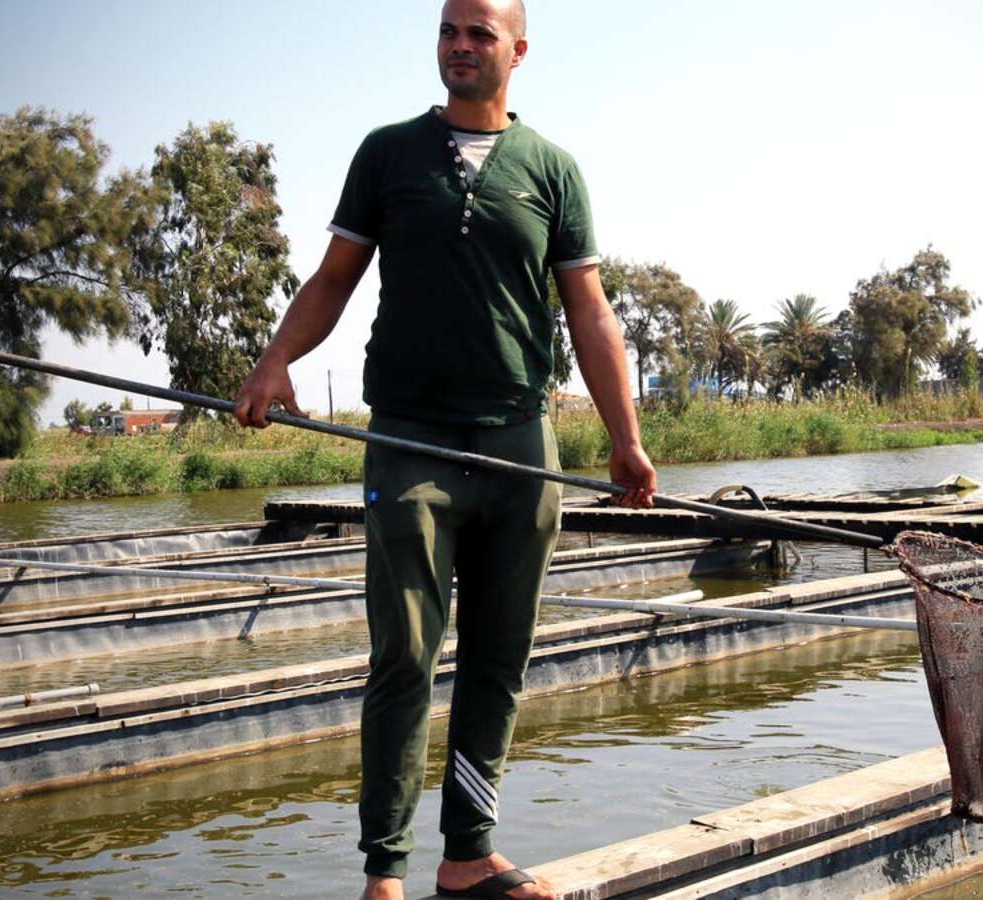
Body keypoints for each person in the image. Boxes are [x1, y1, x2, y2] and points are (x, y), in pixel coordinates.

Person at [233, 1, 656, 896]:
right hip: (411, 438)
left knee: (499, 658)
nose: (461, 47)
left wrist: (626, 438)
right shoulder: (388, 153)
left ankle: (467, 856)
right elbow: (335, 278)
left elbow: (589, 311)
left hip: (519, 444)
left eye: (480, 34)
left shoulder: (553, 170)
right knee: (405, 656)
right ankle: (385, 871)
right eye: (449, 31)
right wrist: (274, 360)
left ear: (518, 51)